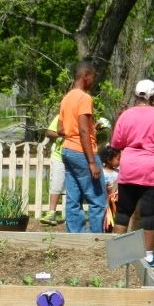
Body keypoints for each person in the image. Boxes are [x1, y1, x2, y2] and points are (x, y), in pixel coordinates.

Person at [111, 79, 154, 269]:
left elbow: (116, 142)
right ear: (153, 97)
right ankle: (148, 257)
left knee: (123, 211)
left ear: (136, 95)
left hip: (129, 167)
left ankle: (118, 256)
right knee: (149, 214)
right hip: (152, 169)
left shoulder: (126, 115)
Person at [58, 59, 107, 233]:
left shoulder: (66, 98)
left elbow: (60, 129)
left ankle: (75, 237)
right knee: (97, 199)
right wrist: (92, 162)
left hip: (67, 150)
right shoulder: (84, 98)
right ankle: (95, 238)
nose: (94, 81)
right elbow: (83, 131)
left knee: (73, 198)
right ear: (85, 76)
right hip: (82, 153)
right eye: (93, 76)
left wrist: (86, 129)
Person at [40, 115, 64, 226]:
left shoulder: (83, 116)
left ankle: (75, 215)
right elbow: (49, 133)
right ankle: (51, 213)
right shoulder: (61, 116)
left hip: (77, 155)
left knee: (75, 187)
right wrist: (65, 135)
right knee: (56, 185)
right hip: (60, 156)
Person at [99, 145, 120, 232]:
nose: (120, 161)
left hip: (113, 203)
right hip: (102, 201)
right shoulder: (101, 172)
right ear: (109, 160)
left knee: (110, 221)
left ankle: (109, 233)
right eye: (118, 159)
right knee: (101, 219)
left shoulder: (118, 173)